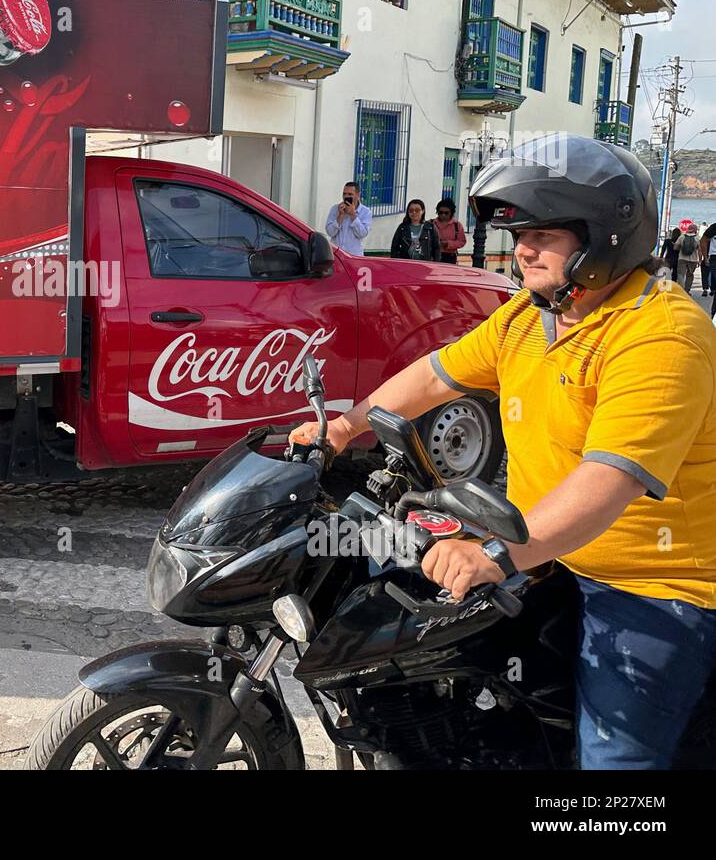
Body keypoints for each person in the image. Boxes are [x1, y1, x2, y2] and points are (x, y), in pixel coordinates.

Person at [290, 134, 716, 770]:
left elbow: (607, 483)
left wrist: (495, 552)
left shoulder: (661, 335)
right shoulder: (530, 316)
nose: (522, 249)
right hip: (549, 550)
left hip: (652, 583)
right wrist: (346, 429)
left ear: (602, 238)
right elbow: (437, 375)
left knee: (615, 765)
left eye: (543, 233)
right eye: (519, 230)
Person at [325, 181, 373, 256]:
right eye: (344, 194)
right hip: (336, 255)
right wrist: (340, 216)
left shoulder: (366, 212)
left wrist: (353, 216)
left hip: (353, 256)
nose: (346, 197)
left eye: (350, 194)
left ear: (358, 195)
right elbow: (330, 232)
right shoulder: (335, 209)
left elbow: (362, 234)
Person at [433, 198, 467, 265]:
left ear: (451, 213)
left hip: (449, 256)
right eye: (440, 212)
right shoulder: (431, 223)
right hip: (433, 254)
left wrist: (448, 243)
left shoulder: (457, 225)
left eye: (446, 213)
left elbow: (462, 241)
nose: (443, 215)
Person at [677, 220, 701, 293]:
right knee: (690, 275)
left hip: (682, 258)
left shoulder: (682, 237)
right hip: (693, 260)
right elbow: (699, 251)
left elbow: (675, 247)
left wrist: (681, 248)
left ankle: (681, 290)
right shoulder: (697, 238)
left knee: (681, 274)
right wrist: (700, 260)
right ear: (695, 230)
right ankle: (687, 290)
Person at [700, 222, 715, 297]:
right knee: (711, 274)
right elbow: (702, 241)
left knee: (705, 274)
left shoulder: (708, 240)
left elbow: (702, 244)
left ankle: (706, 289)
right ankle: (712, 289)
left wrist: (703, 258)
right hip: (712, 257)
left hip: (709, 257)